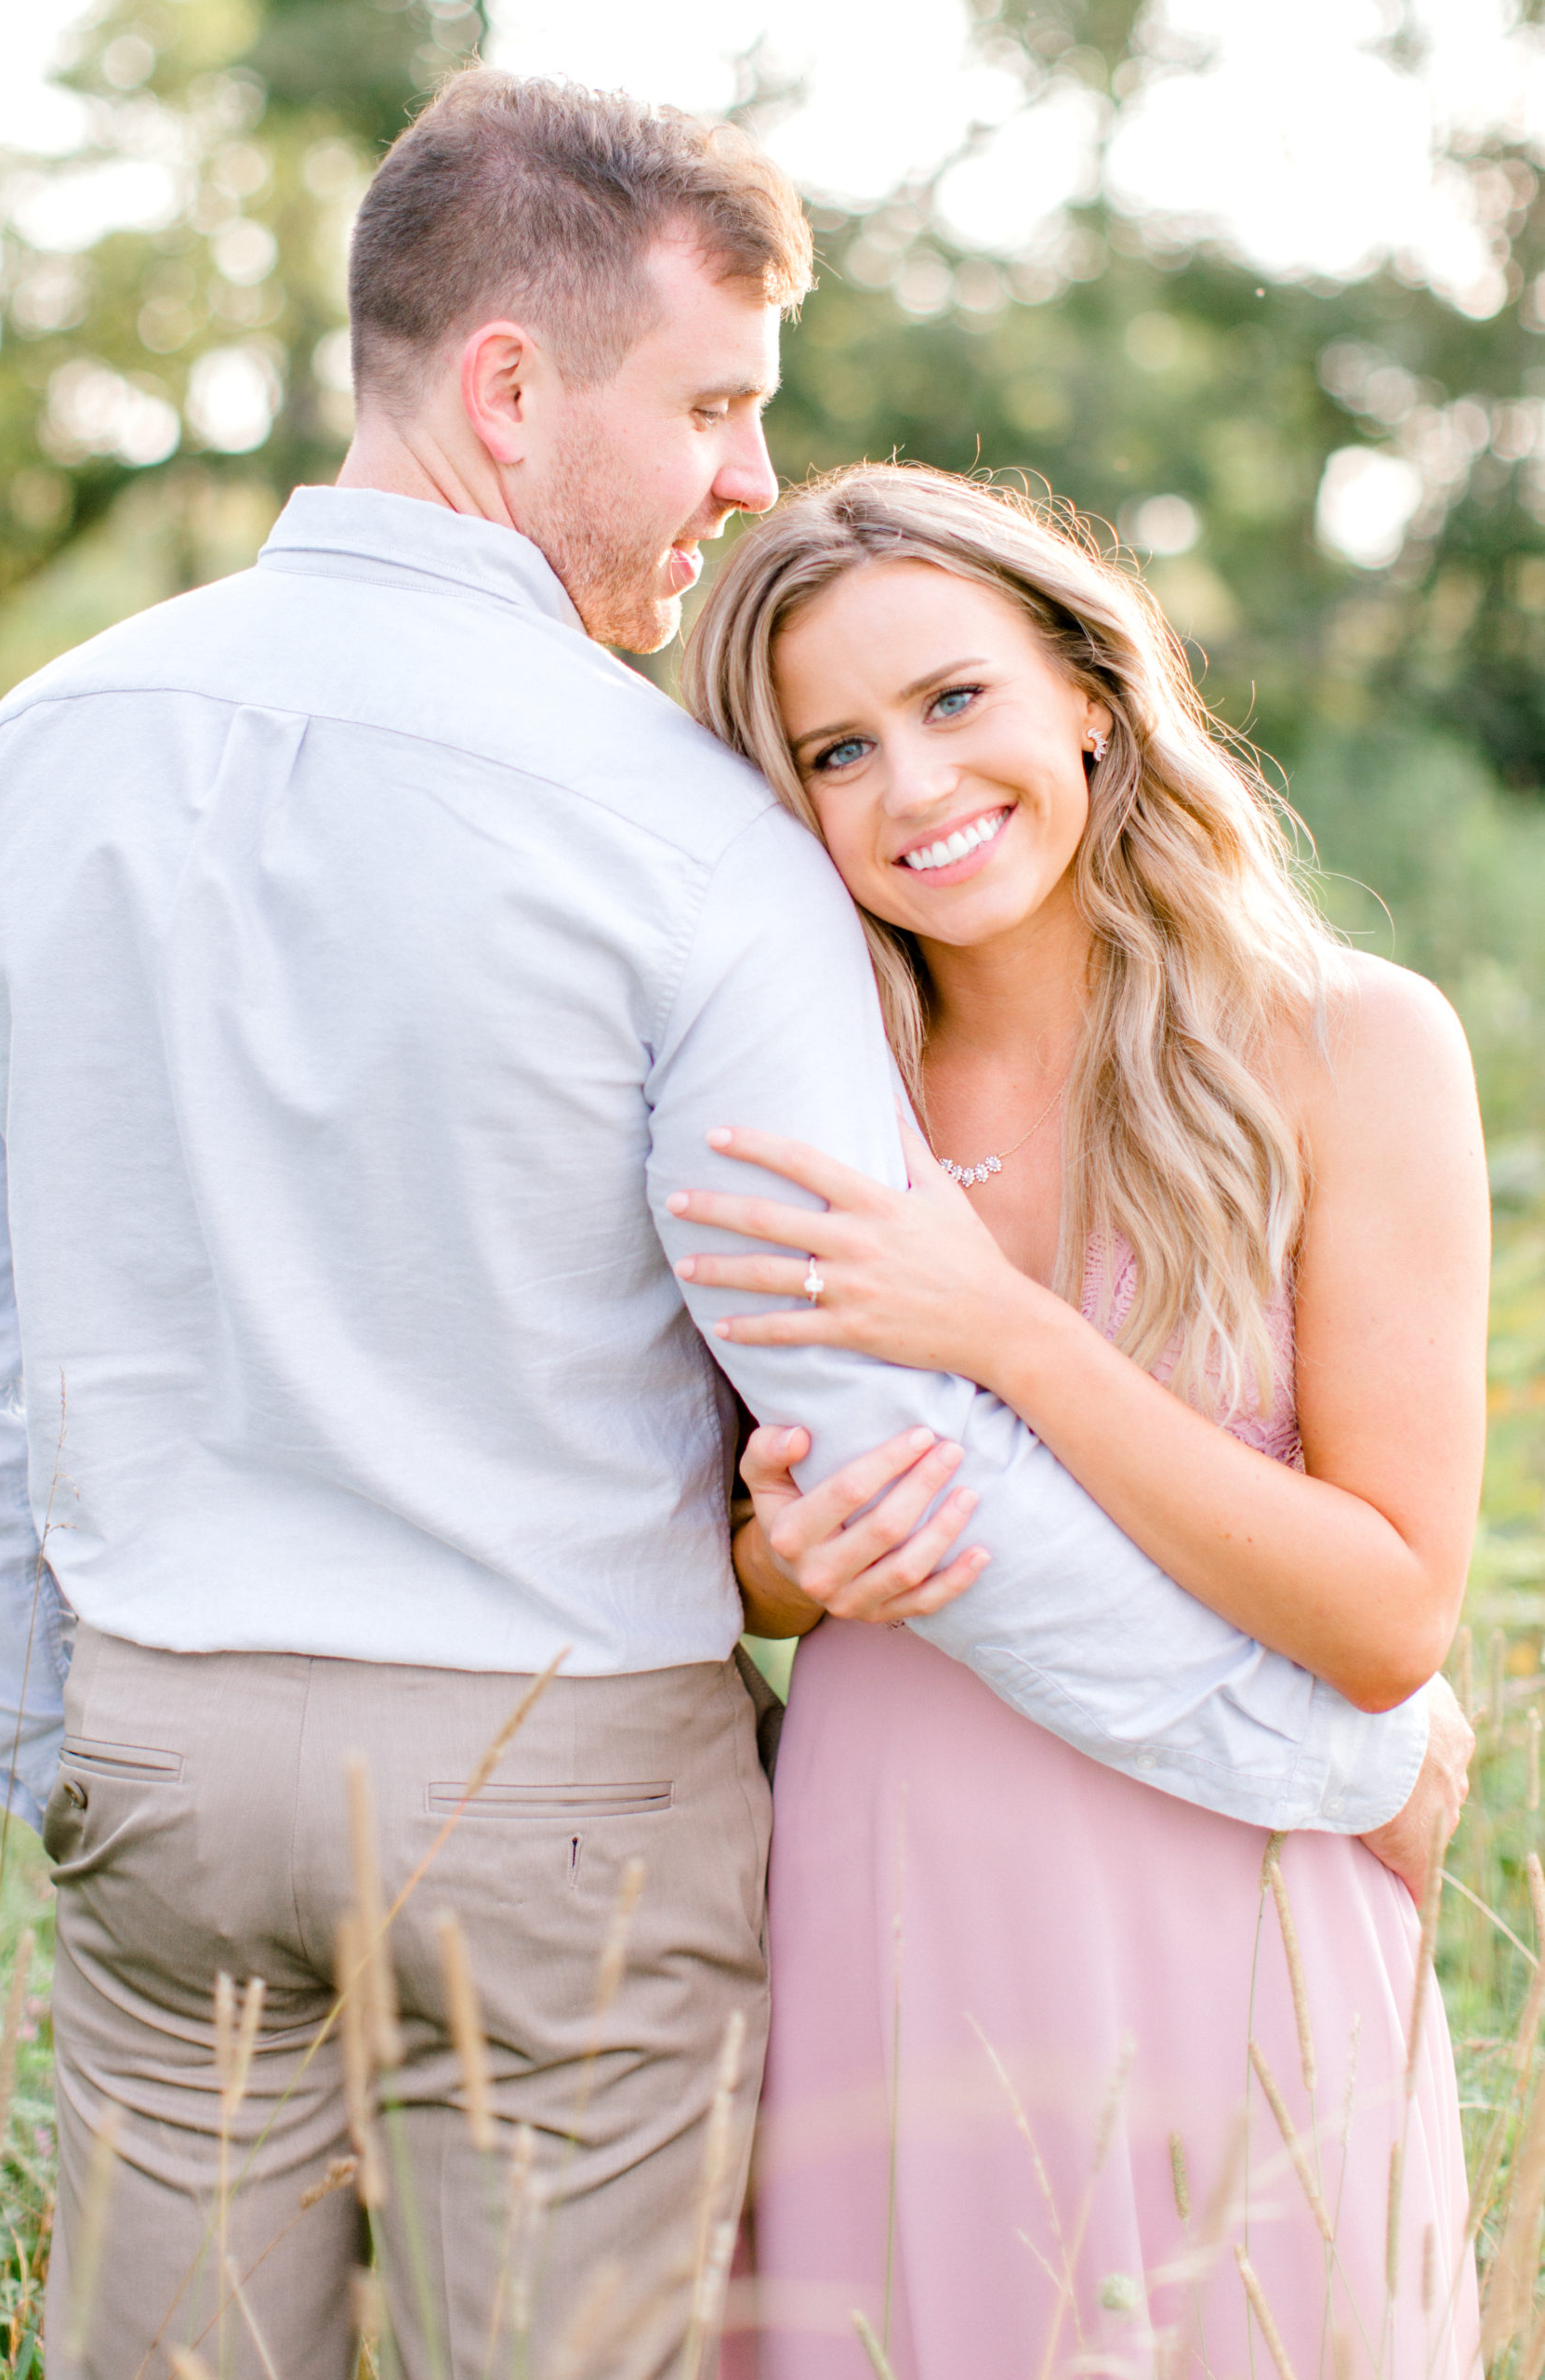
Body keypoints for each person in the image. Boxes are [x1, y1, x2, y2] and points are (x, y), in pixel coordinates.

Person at [0, 68, 1462, 2380]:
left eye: (953, 702)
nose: (746, 466)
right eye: (712, 401)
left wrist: (50, 1723)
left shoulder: (26, 755)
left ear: (1085, 698)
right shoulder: (677, 833)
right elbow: (882, 1464)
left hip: (163, 1755)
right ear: (504, 387)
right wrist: (1335, 1753)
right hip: (593, 1798)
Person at [674, 463, 1488, 2375]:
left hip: (1232, 1878)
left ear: (1088, 696)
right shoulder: (801, 1091)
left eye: (954, 700)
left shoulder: (1344, 1045)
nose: (917, 788)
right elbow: (731, 1551)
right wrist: (774, 1563)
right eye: (836, 749)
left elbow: (1388, 1614)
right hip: (890, 1886)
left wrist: (1010, 1336)